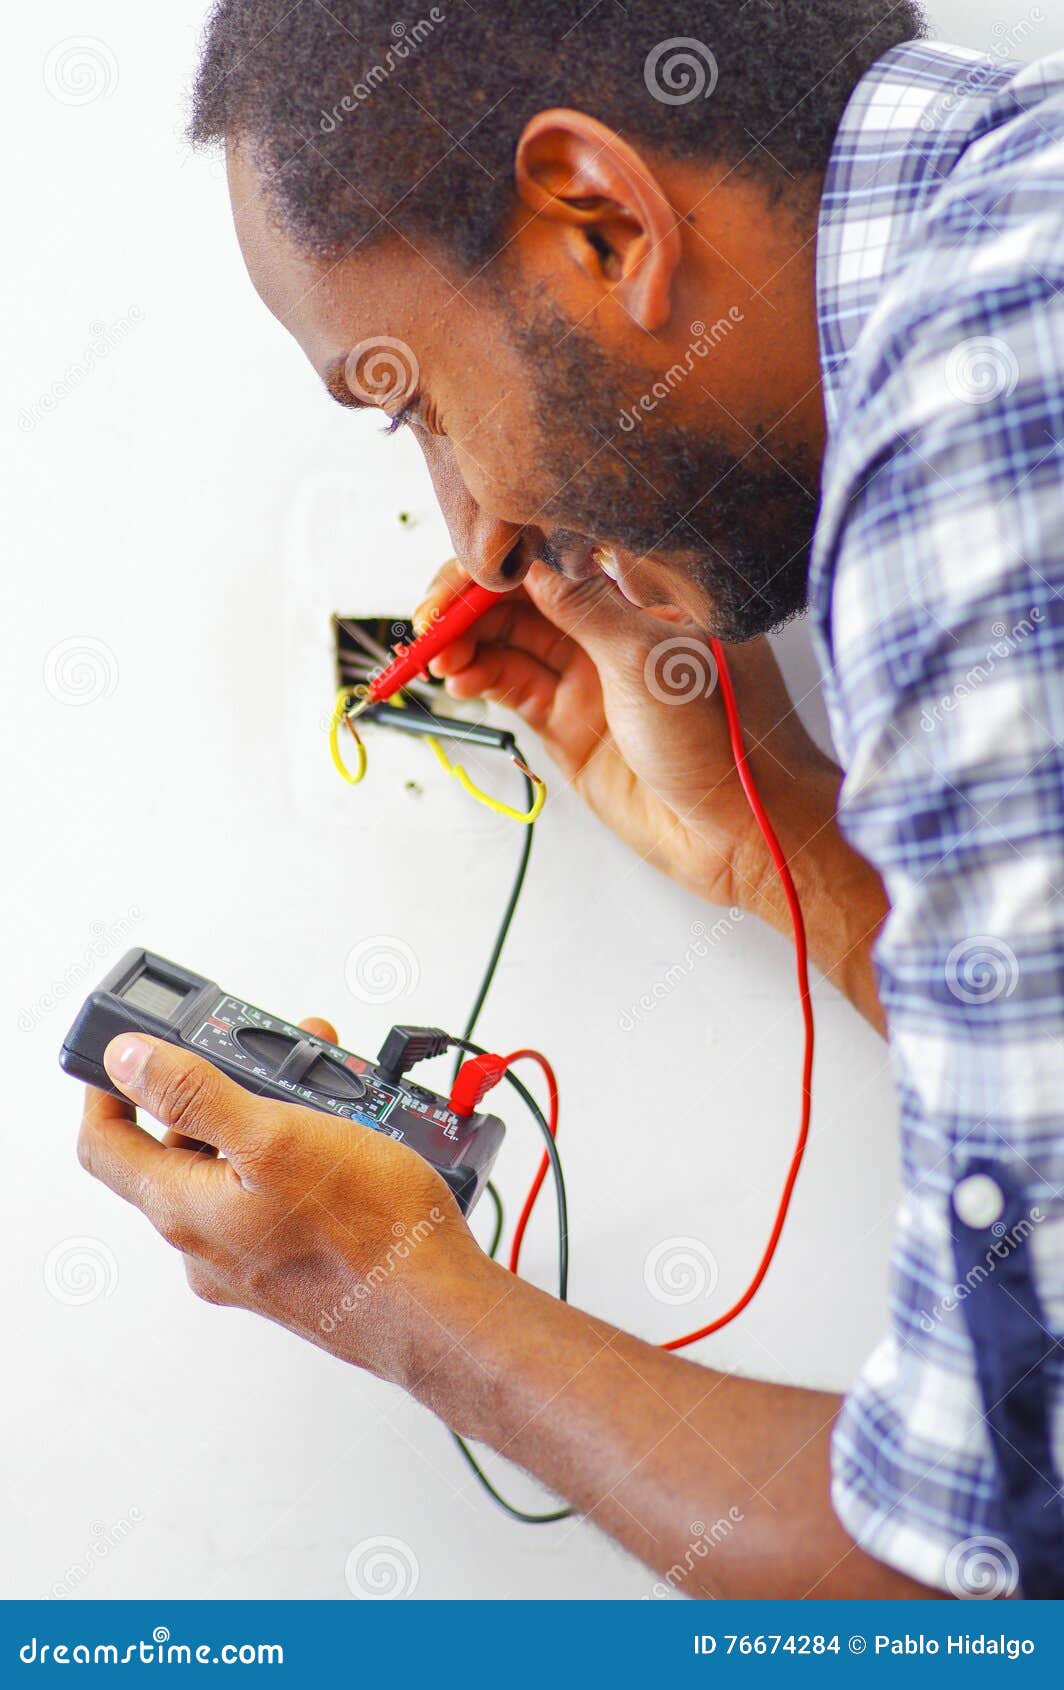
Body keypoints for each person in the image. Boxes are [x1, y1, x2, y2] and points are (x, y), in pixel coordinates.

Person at [77, 1, 1064, 1599]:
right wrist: (780, 841)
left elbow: (987, 1567)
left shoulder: (974, 442)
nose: (468, 540)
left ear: (601, 225)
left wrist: (385, 1282)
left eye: (411, 404)